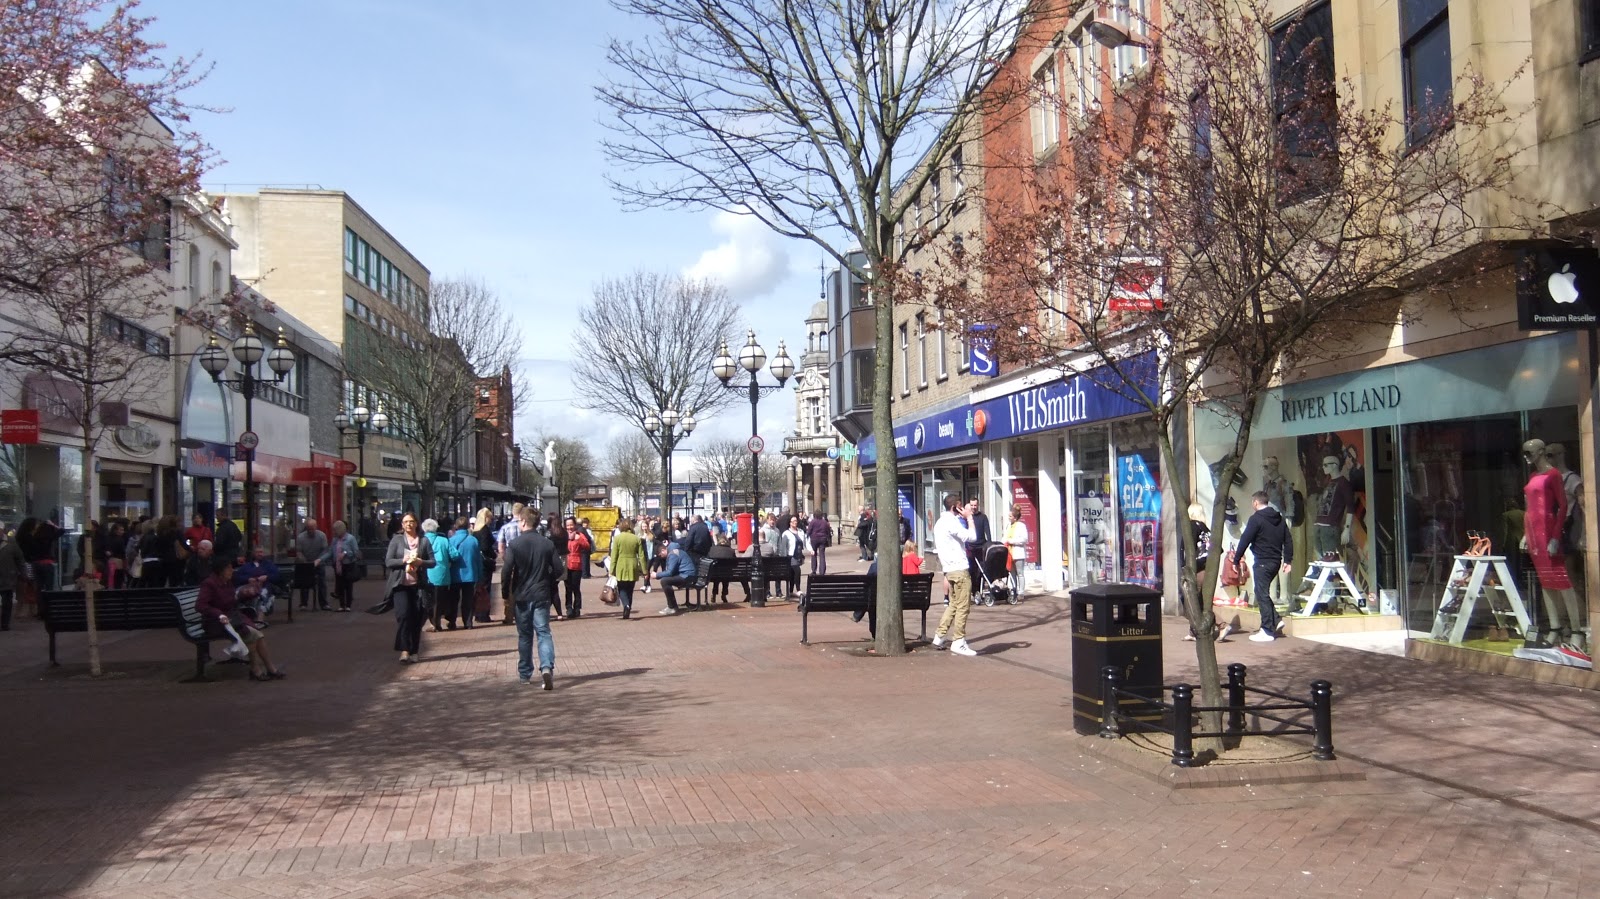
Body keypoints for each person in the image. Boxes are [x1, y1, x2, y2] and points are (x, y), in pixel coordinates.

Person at [197, 556, 284, 681]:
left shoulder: (227, 582)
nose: (232, 570)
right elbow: (201, 605)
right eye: (229, 568)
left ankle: (269, 668)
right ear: (221, 570)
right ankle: (256, 669)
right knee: (252, 634)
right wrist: (218, 614)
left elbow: (231, 601)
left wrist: (243, 594)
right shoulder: (209, 584)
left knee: (258, 635)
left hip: (232, 618)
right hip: (216, 622)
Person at [504, 507, 562, 689]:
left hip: (522, 594)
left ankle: (524, 673)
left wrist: (506, 592)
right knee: (543, 632)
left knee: (525, 635)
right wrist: (547, 578)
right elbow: (559, 570)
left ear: (522, 521)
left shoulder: (515, 544)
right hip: (541, 593)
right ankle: (546, 667)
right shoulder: (547, 544)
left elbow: (506, 571)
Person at [1235, 490, 1293, 642]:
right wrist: (1288, 560)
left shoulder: (1256, 519)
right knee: (1262, 592)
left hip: (1262, 561)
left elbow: (1245, 539)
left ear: (1255, 502)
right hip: (1275, 562)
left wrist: (1236, 559)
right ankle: (1277, 620)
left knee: (1261, 594)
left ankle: (1267, 630)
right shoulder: (1279, 519)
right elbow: (1288, 540)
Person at [931, 496, 979, 656]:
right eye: (960, 506)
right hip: (959, 568)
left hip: (949, 569)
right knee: (963, 606)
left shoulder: (939, 523)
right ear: (955, 508)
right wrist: (969, 518)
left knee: (953, 604)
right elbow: (971, 537)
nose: (964, 509)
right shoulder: (951, 522)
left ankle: (939, 635)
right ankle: (959, 641)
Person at [385, 513, 435, 663]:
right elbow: (388, 561)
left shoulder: (424, 541)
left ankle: (414, 651)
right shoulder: (397, 540)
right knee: (404, 615)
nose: (408, 524)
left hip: (418, 586)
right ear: (402, 524)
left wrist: (421, 562)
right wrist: (403, 560)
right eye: (405, 522)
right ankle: (404, 650)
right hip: (401, 585)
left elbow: (432, 562)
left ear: (416, 523)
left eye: (411, 521)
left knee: (417, 618)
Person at [608, 517, 648, 619]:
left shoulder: (617, 538)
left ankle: (626, 605)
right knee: (630, 589)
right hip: (633, 564)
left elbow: (614, 556)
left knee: (622, 588)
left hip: (621, 564)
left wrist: (611, 570)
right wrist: (645, 571)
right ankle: (628, 607)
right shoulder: (636, 538)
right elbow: (642, 556)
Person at [420, 519, 456, 631]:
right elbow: (454, 555)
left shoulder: (421, 541)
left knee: (427, 601)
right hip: (442, 574)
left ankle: (433, 622)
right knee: (440, 600)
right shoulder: (443, 540)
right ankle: (437, 622)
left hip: (426, 575)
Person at [448, 516, 482, 629]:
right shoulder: (473, 540)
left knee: (453, 599)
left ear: (456, 526)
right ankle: (468, 622)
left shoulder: (451, 540)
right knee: (468, 600)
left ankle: (452, 622)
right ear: (468, 526)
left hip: (454, 574)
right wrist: (480, 576)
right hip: (470, 575)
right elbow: (478, 560)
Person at [320, 521, 360, 612]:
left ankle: (348, 605)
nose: (333, 532)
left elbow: (355, 552)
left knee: (348, 585)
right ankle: (342, 605)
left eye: (335, 530)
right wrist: (320, 559)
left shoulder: (350, 539)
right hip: (338, 565)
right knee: (340, 585)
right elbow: (330, 552)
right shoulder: (335, 540)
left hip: (348, 564)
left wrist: (345, 553)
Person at [496, 502, 526, 625]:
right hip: (525, 562)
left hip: (511, 561)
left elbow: (501, 548)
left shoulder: (505, 528)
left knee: (510, 589)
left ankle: (509, 616)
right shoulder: (526, 527)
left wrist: (506, 560)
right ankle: (524, 614)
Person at [293, 518, 330, 611]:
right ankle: (303, 603)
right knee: (304, 583)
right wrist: (303, 560)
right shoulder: (301, 537)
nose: (311, 531)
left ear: (316, 527)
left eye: (312, 528)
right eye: (309, 528)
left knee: (322, 582)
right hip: (306, 562)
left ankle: (324, 603)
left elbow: (325, 550)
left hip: (319, 562)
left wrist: (319, 560)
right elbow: (299, 551)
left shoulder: (322, 536)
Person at [654, 540, 696, 615]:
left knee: (665, 581)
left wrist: (657, 575)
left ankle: (672, 607)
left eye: (660, 555)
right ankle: (672, 605)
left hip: (687, 576)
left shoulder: (673, 554)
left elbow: (670, 572)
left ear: (663, 550)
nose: (661, 557)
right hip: (686, 574)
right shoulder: (674, 551)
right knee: (666, 580)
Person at [469, 509, 496, 623]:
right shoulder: (484, 530)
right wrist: (493, 554)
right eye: (490, 518)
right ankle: (483, 614)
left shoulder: (476, 531)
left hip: (478, 562)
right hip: (485, 563)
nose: (491, 520)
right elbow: (485, 547)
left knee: (479, 588)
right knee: (485, 589)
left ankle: (478, 613)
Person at [561, 517, 589, 618]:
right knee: (567, 588)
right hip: (566, 564)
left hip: (577, 564)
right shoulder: (563, 536)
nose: (569, 527)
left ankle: (577, 608)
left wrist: (579, 539)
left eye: (571, 525)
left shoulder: (579, 535)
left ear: (575, 525)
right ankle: (569, 608)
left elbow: (587, 546)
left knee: (576, 588)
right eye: (567, 525)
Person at [706, 532, 743, 603]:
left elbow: (708, 560)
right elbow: (735, 563)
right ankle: (724, 595)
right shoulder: (731, 551)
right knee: (726, 579)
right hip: (727, 574)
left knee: (716, 580)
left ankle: (714, 594)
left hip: (714, 574)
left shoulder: (712, 549)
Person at [0, 526, 25, 630]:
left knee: (7, 602)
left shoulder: (11, 542)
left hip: (7, 576)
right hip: (7, 575)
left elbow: (19, 558)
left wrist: (22, 573)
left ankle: (5, 624)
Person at [1003, 505, 1030, 601]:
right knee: (1012, 573)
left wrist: (1011, 541)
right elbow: (1005, 537)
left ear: (1015, 517)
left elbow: (1024, 539)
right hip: (1009, 553)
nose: (1009, 518)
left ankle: (1021, 592)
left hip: (1018, 553)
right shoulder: (1008, 526)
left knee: (1020, 573)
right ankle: (1013, 590)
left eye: (1010, 516)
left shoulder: (1021, 526)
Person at [783, 515, 806, 596]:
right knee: (797, 571)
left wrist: (811, 550)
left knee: (792, 573)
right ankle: (798, 589)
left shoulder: (800, 531)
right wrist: (784, 556)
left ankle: (791, 591)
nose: (795, 522)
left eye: (796, 521)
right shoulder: (786, 533)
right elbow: (783, 546)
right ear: (790, 523)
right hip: (791, 555)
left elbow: (805, 542)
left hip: (799, 555)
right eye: (793, 521)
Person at [807, 510, 832, 575]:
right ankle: (822, 571)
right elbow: (828, 531)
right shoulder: (824, 522)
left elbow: (809, 530)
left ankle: (814, 570)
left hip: (814, 539)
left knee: (814, 554)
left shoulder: (813, 522)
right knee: (822, 555)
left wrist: (808, 536)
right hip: (823, 539)